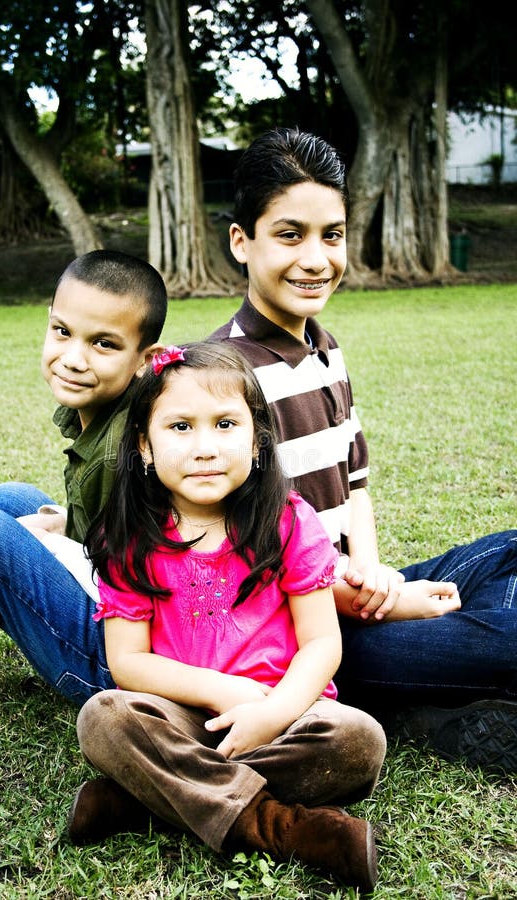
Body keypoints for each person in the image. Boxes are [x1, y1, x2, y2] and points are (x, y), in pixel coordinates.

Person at [208, 127, 517, 774]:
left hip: (360, 597)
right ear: (241, 241)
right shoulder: (217, 377)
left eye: (332, 235)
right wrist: (383, 603)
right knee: (507, 636)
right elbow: (243, 556)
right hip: (308, 639)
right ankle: (418, 696)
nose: (316, 258)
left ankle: (431, 689)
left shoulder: (327, 350)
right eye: (290, 235)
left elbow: (355, 485)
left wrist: (375, 576)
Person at [69, 342, 386, 892]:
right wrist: (221, 691)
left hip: (282, 715)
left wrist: (272, 712)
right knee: (104, 718)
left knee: (359, 740)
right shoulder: (128, 538)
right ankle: (282, 827)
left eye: (224, 424)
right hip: (183, 717)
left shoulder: (289, 522)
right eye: (180, 427)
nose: (205, 448)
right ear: (144, 445)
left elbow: (321, 643)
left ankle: (146, 798)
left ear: (258, 440)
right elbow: (128, 662)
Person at [0, 249, 167, 706]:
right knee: (11, 498)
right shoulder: (111, 411)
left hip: (120, 661)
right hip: (114, 596)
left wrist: (46, 544)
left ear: (144, 359)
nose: (73, 359)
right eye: (63, 332)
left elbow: (137, 578)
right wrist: (60, 528)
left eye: (103, 344)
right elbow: (114, 539)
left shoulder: (124, 450)